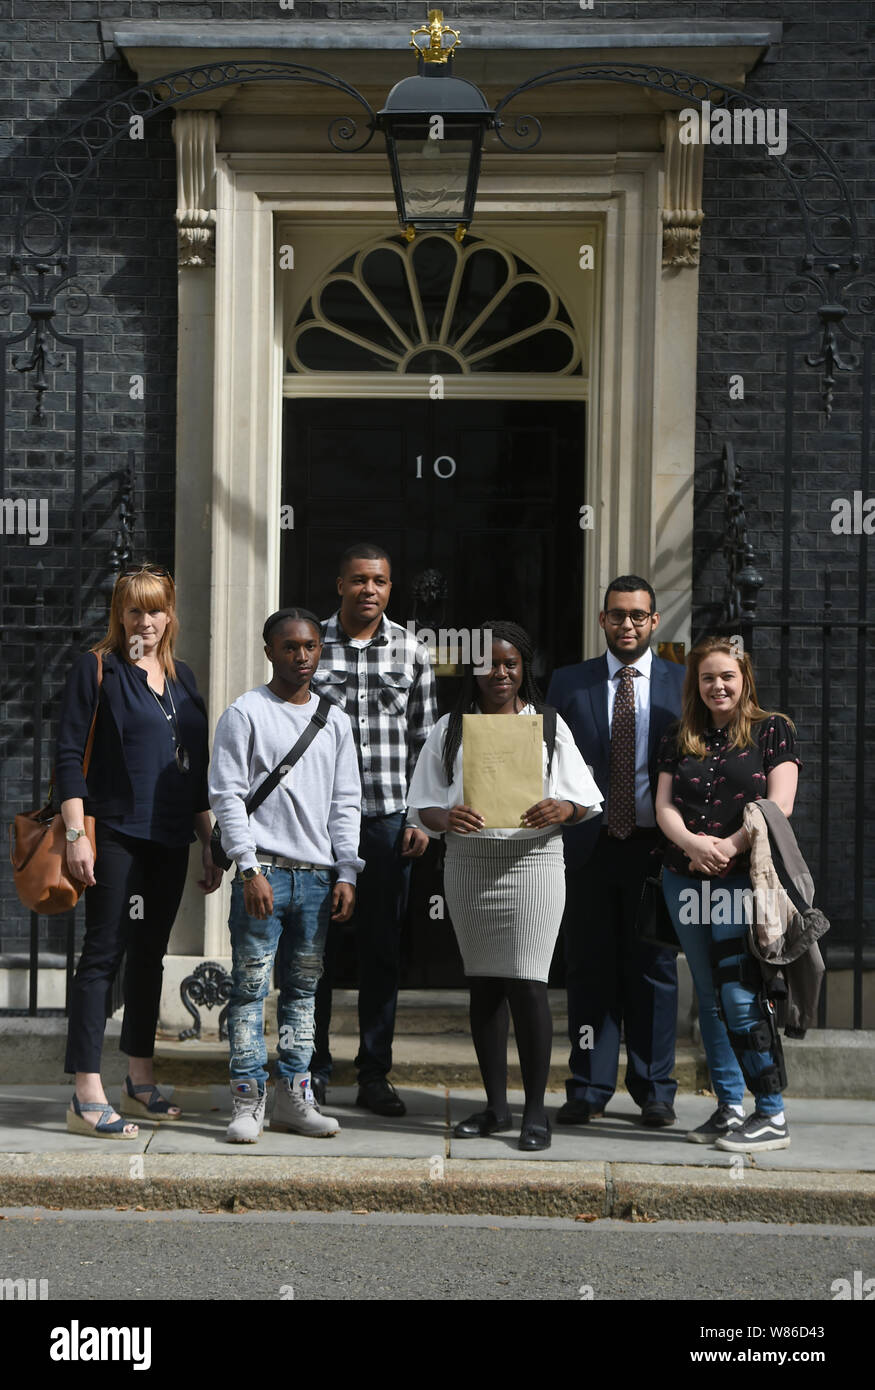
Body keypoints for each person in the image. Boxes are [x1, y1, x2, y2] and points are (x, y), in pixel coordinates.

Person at [407, 622, 603, 1151]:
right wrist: (445, 820)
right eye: (489, 663)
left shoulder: (548, 726)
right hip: (470, 868)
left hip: (534, 866)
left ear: (524, 669)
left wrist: (562, 807)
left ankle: (534, 1111)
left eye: (510, 664)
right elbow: (422, 805)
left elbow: (586, 800)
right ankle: (495, 1107)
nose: (499, 673)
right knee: (486, 983)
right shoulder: (451, 728)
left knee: (528, 981)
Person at [57, 563, 222, 1138]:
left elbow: (194, 772)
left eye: (155, 610)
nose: (145, 621)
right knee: (103, 955)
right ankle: (85, 1091)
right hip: (117, 833)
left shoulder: (186, 681)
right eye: (134, 609)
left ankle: (139, 1078)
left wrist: (208, 842)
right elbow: (67, 756)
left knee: (150, 955)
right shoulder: (97, 670)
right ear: (118, 614)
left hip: (171, 836)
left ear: (169, 615)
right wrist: (78, 834)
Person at [209, 609, 364, 1143]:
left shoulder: (334, 718)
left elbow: (346, 802)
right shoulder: (245, 712)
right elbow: (226, 795)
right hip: (265, 875)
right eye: (291, 647)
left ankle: (296, 1095)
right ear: (269, 650)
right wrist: (249, 868)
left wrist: (347, 870)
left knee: (303, 991)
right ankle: (247, 1099)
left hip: (318, 878)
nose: (302, 656)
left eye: (311, 647)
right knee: (250, 989)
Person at [547, 576, 685, 1127]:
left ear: (653, 622)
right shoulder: (569, 682)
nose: (626, 624)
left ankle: (655, 1089)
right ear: (602, 620)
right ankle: (588, 1084)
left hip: (657, 850)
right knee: (589, 969)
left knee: (654, 968)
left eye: (637, 615)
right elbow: (546, 761)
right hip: (589, 847)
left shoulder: (682, 683)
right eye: (616, 615)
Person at [656, 636, 800, 1151]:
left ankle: (772, 1112)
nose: (718, 685)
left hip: (741, 880)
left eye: (727, 676)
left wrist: (728, 846)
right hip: (684, 877)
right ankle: (729, 1107)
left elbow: (777, 805)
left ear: (744, 679)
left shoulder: (772, 730)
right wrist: (694, 845)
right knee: (711, 996)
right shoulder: (680, 735)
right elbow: (664, 808)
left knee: (741, 994)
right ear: (696, 684)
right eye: (707, 677)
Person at [309, 544, 437, 1118]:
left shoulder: (412, 651)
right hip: (317, 823)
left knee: (382, 950)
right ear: (340, 584)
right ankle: (309, 1069)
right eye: (359, 580)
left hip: (387, 821)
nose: (369, 590)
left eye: (380, 582)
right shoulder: (311, 644)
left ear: (391, 588)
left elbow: (427, 745)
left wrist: (419, 817)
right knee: (315, 950)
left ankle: (374, 1073)